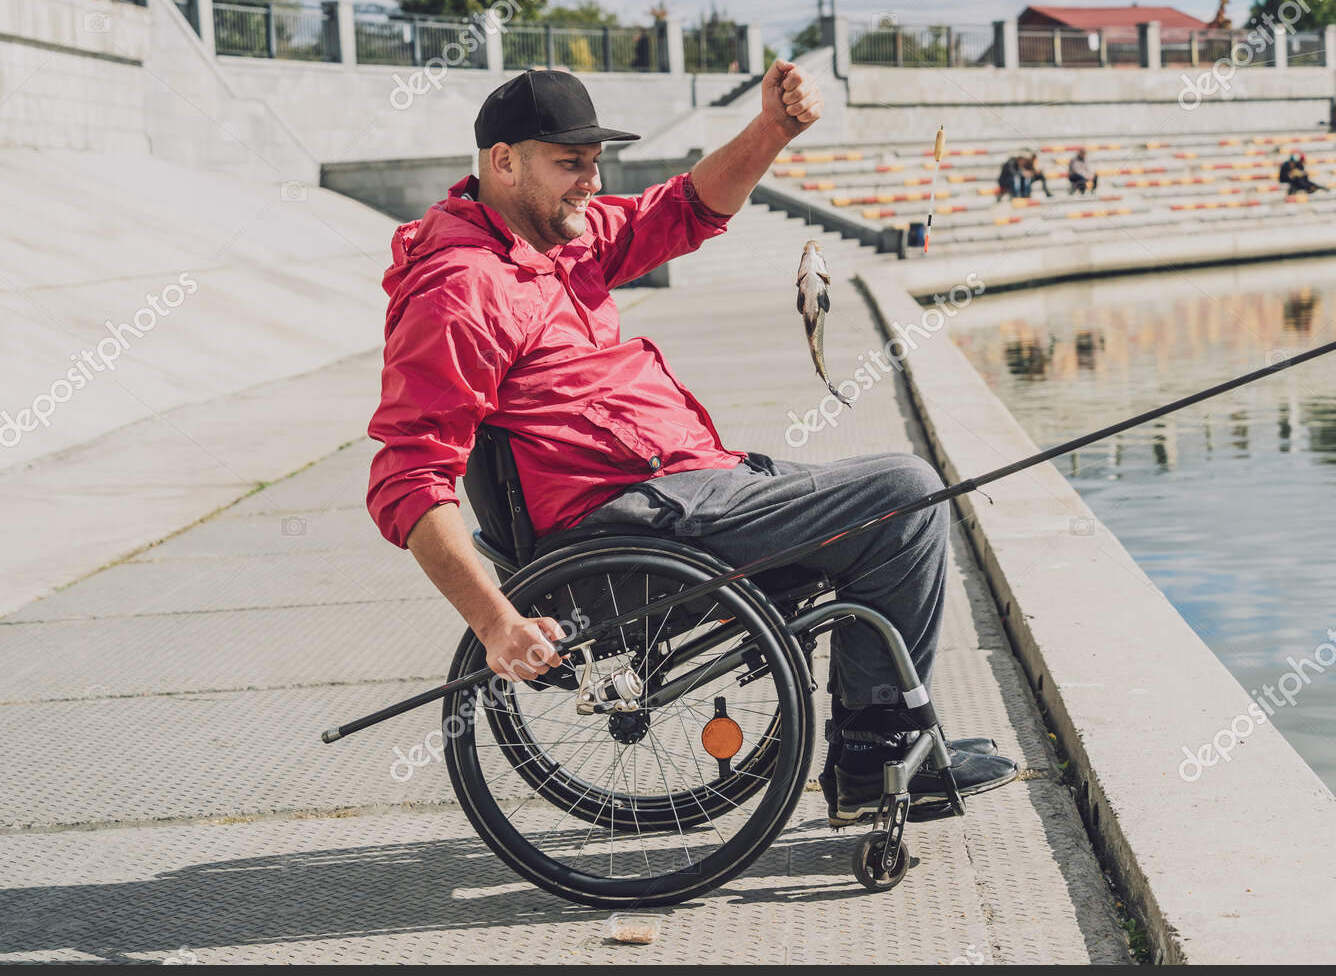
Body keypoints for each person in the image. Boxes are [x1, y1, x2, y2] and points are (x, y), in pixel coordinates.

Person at [366, 66, 1017, 828]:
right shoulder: (461, 289)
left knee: (883, 507)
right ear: (503, 163)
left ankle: (877, 748)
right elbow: (410, 474)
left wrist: (771, 127)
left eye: (595, 161)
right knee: (903, 494)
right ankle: (876, 756)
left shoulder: (553, 240)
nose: (590, 180)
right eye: (570, 163)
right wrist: (495, 621)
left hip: (685, 487)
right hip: (634, 524)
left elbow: (683, 211)